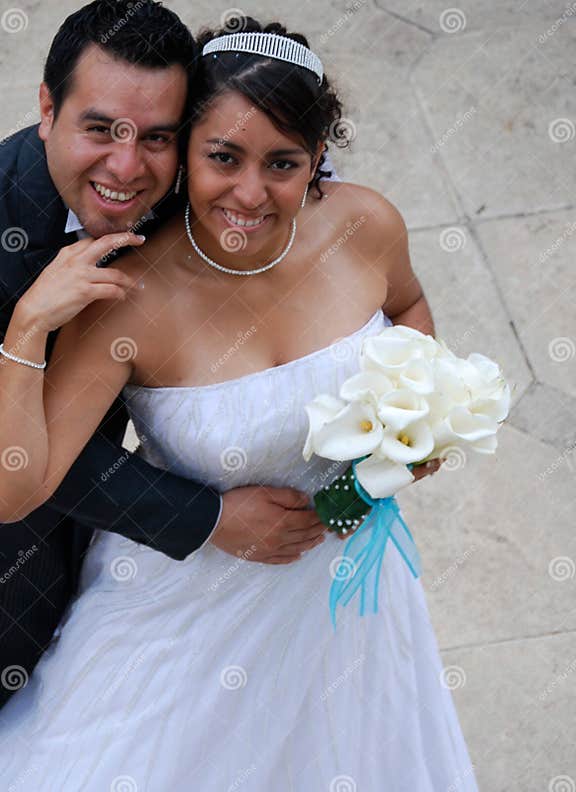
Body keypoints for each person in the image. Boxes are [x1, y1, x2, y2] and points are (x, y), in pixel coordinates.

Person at [0, 15, 474, 791]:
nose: (250, 194)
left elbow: (411, 308)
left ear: (318, 156)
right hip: (177, 608)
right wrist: (27, 326)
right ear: (189, 154)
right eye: (223, 157)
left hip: (345, 583)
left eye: (283, 163)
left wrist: (410, 435)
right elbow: (22, 479)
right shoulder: (125, 292)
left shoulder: (365, 225)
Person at [0, 1, 331, 710]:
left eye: (157, 137)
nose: (126, 168)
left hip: (99, 567)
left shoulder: (197, 190)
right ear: (46, 108)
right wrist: (207, 518)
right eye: (99, 129)